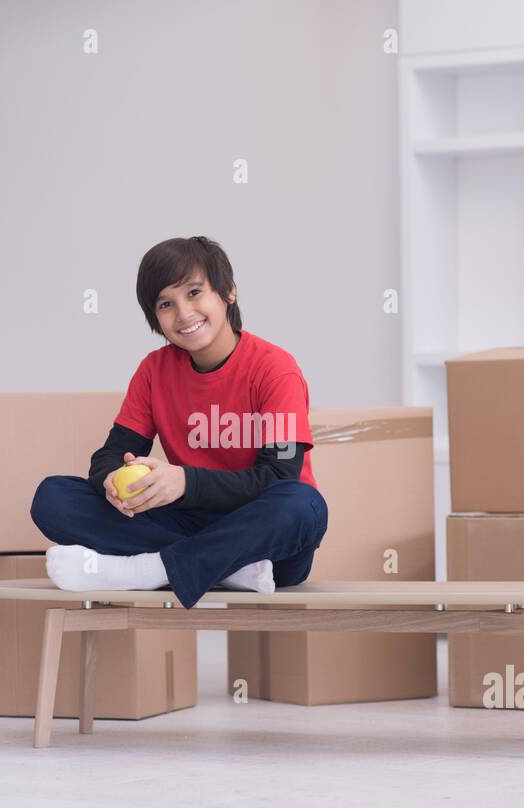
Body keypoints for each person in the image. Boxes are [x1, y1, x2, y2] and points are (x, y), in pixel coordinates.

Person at [29, 236, 328, 609]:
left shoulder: (275, 370)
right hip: (190, 526)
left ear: (228, 292)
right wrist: (111, 481)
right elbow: (110, 455)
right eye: (166, 304)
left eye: (194, 293)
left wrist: (183, 481)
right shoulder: (154, 371)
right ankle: (227, 571)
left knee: (303, 505)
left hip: (264, 538)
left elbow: (280, 476)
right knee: (54, 497)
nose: (184, 313)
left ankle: (149, 572)